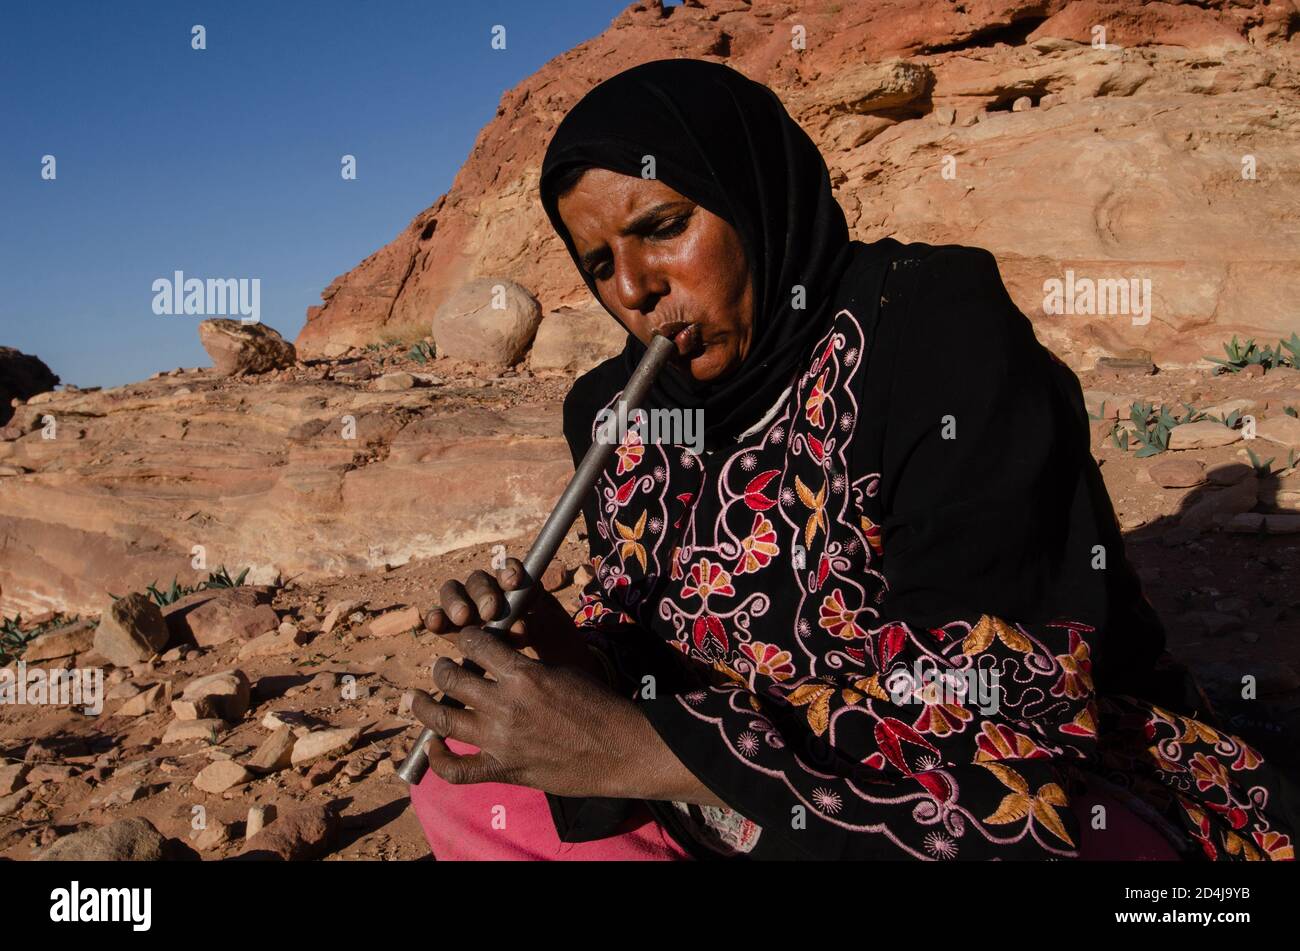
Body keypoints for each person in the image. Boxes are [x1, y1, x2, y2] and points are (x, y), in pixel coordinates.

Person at [407, 58, 1298, 860]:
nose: (636, 289)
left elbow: (999, 735)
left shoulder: (931, 329)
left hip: (990, 803)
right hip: (712, 793)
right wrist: (564, 660)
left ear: (754, 195)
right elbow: (648, 647)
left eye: (665, 226)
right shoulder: (609, 412)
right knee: (468, 799)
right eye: (599, 263)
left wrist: (640, 748)